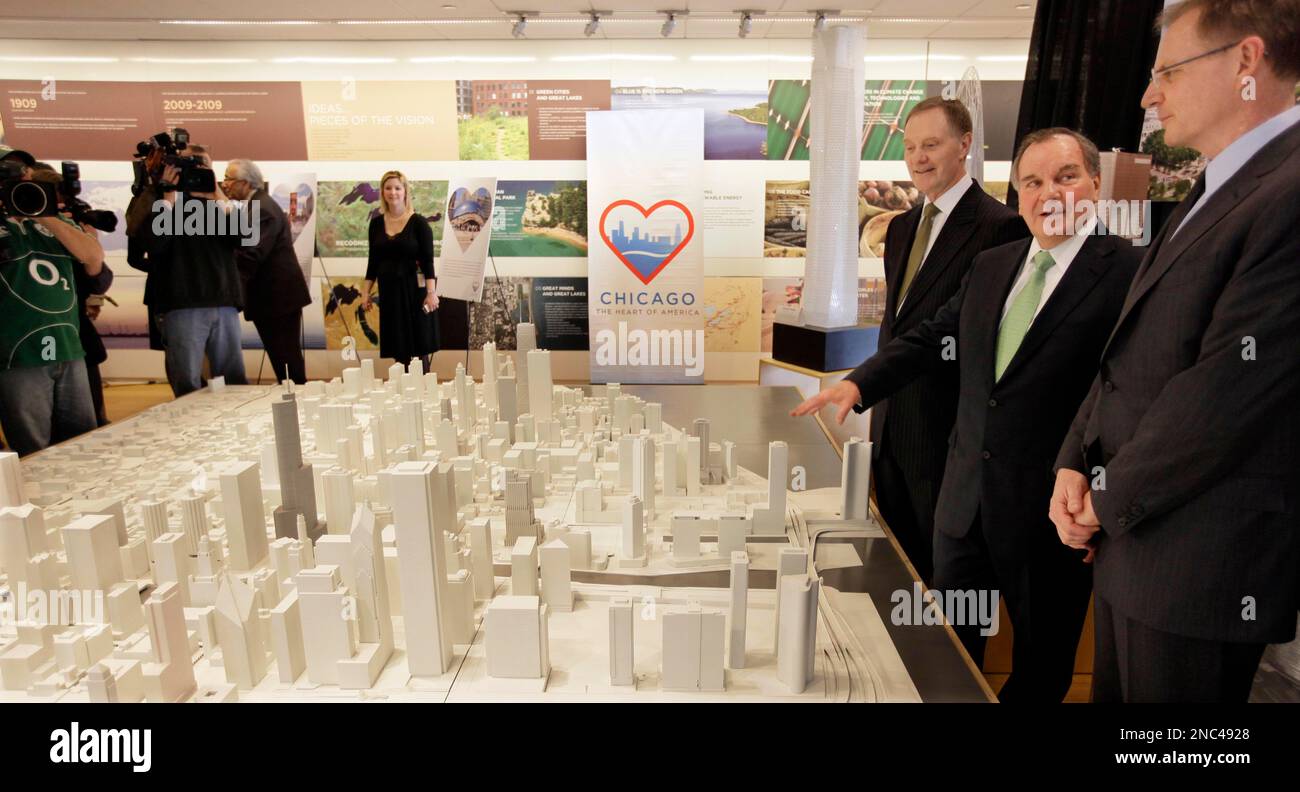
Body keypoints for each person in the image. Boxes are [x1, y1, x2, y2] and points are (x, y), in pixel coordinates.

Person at [796, 129, 1140, 701]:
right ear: (1018, 193)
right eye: (1032, 181)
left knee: (1041, 666)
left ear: (1096, 185)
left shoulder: (1129, 273)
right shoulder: (993, 265)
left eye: (1065, 177)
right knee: (949, 655)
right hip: (962, 508)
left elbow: (1127, 390)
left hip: (1052, 516)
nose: (1047, 193)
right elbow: (933, 337)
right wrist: (860, 383)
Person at [1050, 0, 1300, 703]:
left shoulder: (1286, 193)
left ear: (1246, 62)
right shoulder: (1210, 185)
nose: (1149, 94)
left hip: (1202, 564)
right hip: (1136, 547)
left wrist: (1106, 496)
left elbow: (1225, 393)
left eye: (1170, 71)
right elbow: (1130, 352)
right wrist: (1076, 457)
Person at [821, 97, 1029, 582]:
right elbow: (899, 326)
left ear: (965, 146)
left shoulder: (1002, 228)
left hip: (948, 438)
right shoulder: (902, 228)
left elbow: (955, 335)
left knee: (949, 588)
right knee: (896, 574)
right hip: (892, 429)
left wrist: (862, 382)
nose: (918, 158)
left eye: (931, 145)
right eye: (911, 146)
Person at [0, 147, 104, 455]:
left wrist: (46, 214)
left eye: (27, 173)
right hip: (18, 353)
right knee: (33, 448)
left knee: (83, 440)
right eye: (13, 173)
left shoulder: (51, 221)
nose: (24, 178)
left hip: (67, 345)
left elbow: (93, 259)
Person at [142, 145, 249, 397]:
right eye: (191, 164)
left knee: (233, 378)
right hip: (182, 302)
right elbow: (154, 245)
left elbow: (244, 237)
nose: (198, 171)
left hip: (223, 301)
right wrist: (167, 195)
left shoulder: (219, 204)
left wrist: (217, 195)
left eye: (205, 166)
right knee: (188, 382)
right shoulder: (161, 201)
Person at [28, 164, 115, 426]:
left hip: (76, 338)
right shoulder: (22, 237)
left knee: (90, 423)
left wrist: (88, 244)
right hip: (30, 343)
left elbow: (100, 281)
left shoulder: (69, 230)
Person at [222, 158, 312, 384]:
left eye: (228, 179)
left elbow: (252, 254)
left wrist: (220, 264)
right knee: (285, 359)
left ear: (245, 183)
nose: (224, 185)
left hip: (276, 299)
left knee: (286, 360)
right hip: (275, 298)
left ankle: (298, 405)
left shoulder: (261, 209)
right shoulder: (257, 205)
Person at [361, 170, 439, 372]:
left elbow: (428, 262)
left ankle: (423, 391)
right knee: (398, 344)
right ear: (382, 192)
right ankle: (403, 393)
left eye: (397, 187)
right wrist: (365, 293)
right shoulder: (376, 224)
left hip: (414, 292)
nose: (392, 192)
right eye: (388, 188)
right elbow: (373, 262)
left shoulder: (419, 224)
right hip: (389, 293)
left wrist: (431, 293)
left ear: (405, 191)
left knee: (418, 344)